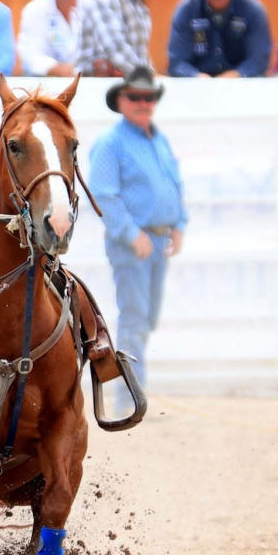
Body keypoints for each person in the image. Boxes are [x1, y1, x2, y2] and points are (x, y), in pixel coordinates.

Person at [87, 66, 187, 410]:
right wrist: (132, 234)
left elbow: (173, 184)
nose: (143, 102)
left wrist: (178, 224)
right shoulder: (111, 143)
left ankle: (134, 394)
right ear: (122, 100)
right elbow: (103, 195)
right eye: (136, 97)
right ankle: (129, 400)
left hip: (156, 241)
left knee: (145, 318)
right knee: (134, 318)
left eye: (148, 97)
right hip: (134, 245)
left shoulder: (157, 138)